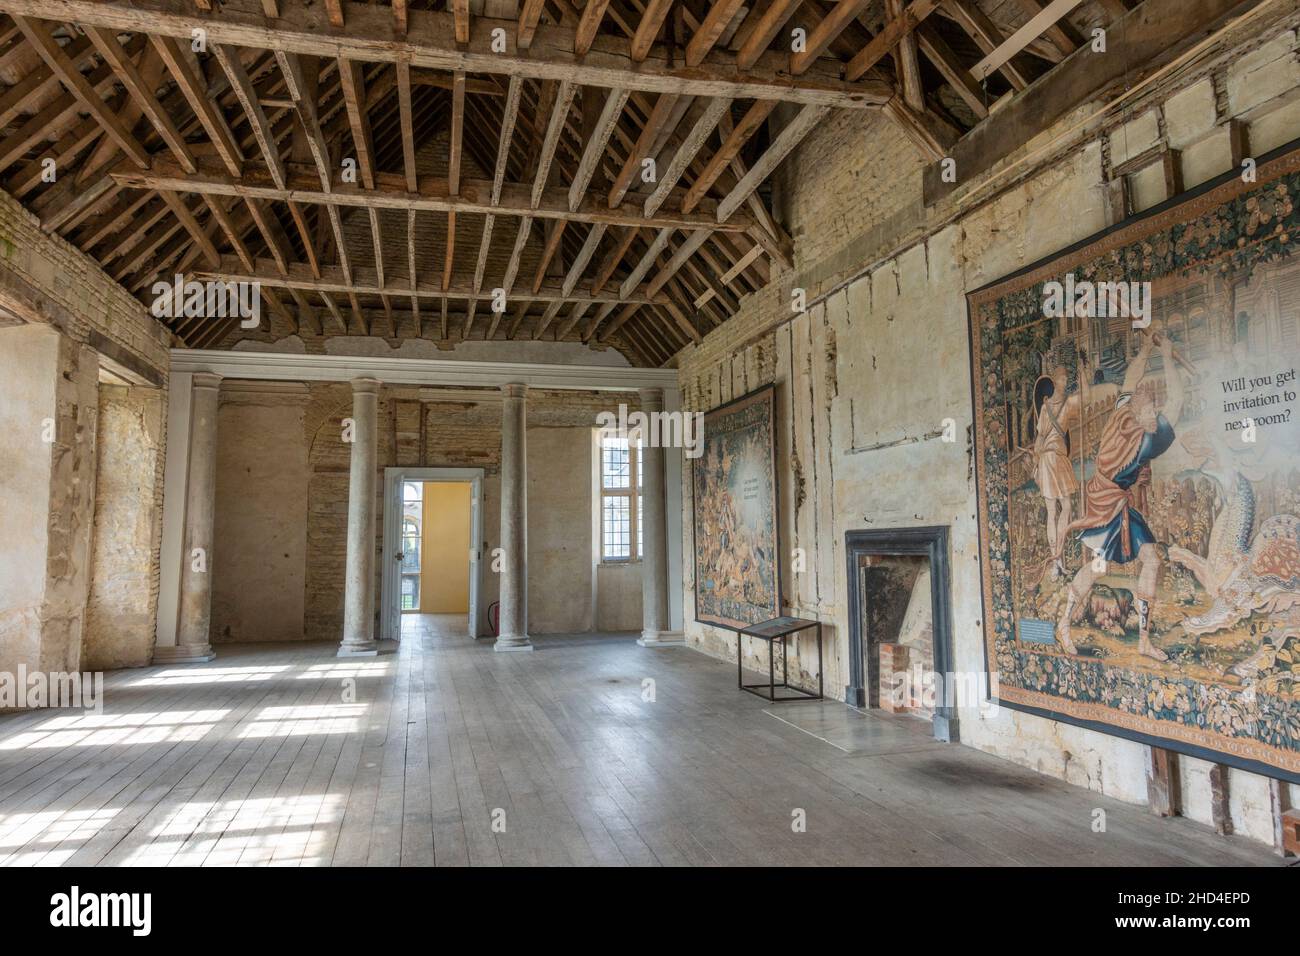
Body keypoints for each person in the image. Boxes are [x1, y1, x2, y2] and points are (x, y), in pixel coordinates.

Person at [1057, 331, 1184, 661]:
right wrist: (1168, 357)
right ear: (1142, 416)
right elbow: (1178, 404)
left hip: (1108, 499)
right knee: (1100, 567)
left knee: (1150, 559)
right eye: (1152, 412)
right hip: (1109, 506)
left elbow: (1132, 377)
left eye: (1153, 410)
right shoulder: (1144, 442)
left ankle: (1143, 640)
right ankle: (1063, 624)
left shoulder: (1124, 410)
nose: (1156, 414)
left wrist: (1144, 350)